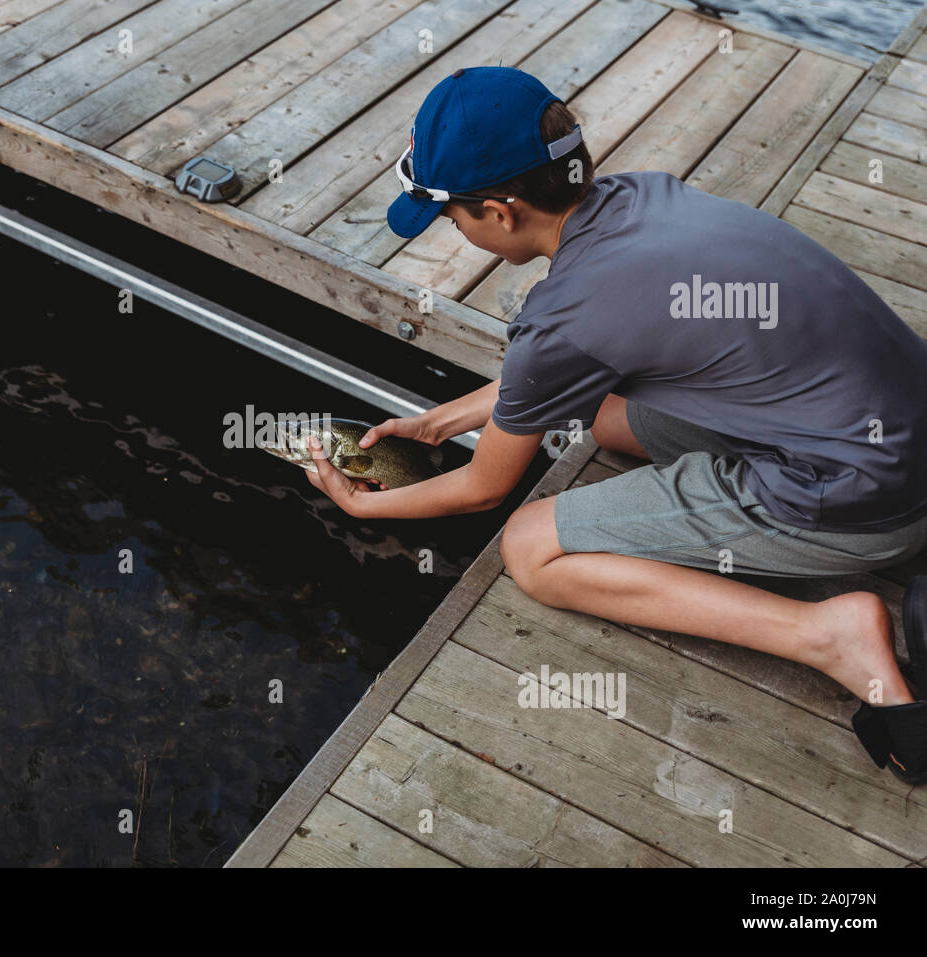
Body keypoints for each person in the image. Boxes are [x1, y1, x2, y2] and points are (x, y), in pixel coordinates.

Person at [304, 66, 927, 783]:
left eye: (452, 217)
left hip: (864, 502)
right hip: (901, 432)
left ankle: (826, 634)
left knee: (533, 549)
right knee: (597, 413)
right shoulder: (640, 197)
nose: (455, 229)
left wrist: (366, 500)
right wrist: (443, 421)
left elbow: (484, 489)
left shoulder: (565, 315)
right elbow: (559, 372)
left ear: (501, 213)